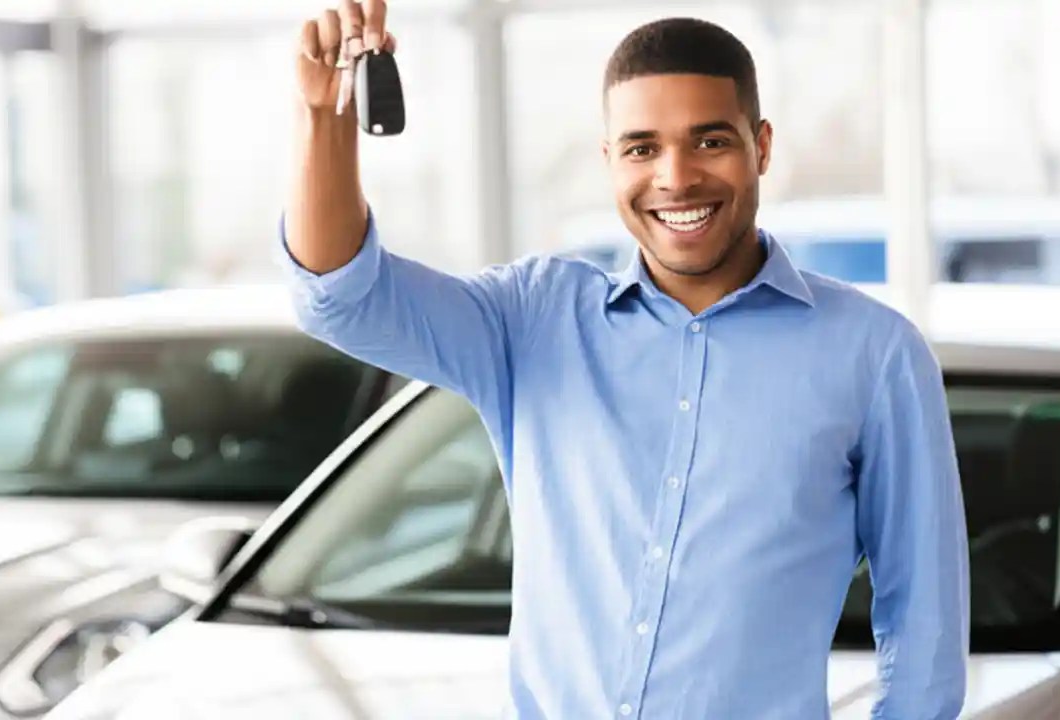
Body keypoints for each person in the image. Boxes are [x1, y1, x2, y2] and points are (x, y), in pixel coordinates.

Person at [278, 3, 969, 718]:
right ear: (609, 160)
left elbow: (925, 630)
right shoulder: (532, 319)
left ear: (760, 146)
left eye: (709, 140)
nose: (676, 177)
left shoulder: (874, 353)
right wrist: (323, 121)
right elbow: (341, 298)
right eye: (642, 148)